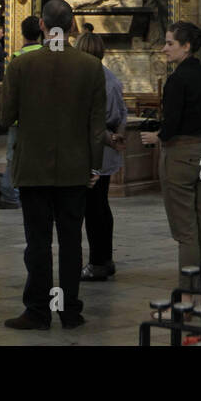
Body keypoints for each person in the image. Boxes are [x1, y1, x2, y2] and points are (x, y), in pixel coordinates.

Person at [0, 0, 123, 330]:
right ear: (71, 27)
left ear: (41, 25)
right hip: (75, 168)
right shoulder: (90, 67)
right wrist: (95, 168)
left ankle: (37, 310)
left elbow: (4, 116)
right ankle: (70, 311)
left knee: (37, 242)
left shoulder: (21, 66)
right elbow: (97, 127)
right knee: (70, 242)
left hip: (34, 168)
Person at [141, 21, 201, 272]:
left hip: (181, 156)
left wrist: (158, 137)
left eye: (170, 43)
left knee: (185, 230)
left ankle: (188, 295)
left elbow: (171, 125)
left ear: (186, 47)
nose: (164, 49)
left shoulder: (177, 80)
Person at [76, 31, 127, 282]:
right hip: (104, 150)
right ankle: (104, 259)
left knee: (93, 209)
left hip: (94, 151)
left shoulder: (90, 79)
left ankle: (98, 261)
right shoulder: (110, 78)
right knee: (100, 207)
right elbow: (120, 115)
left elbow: (103, 118)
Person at [0, 17, 42, 210]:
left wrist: (5, 116)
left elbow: (9, 91)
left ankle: (11, 194)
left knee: (14, 156)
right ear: (41, 31)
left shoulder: (16, 57)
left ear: (22, 32)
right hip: (42, 117)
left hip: (20, 118)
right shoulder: (47, 55)